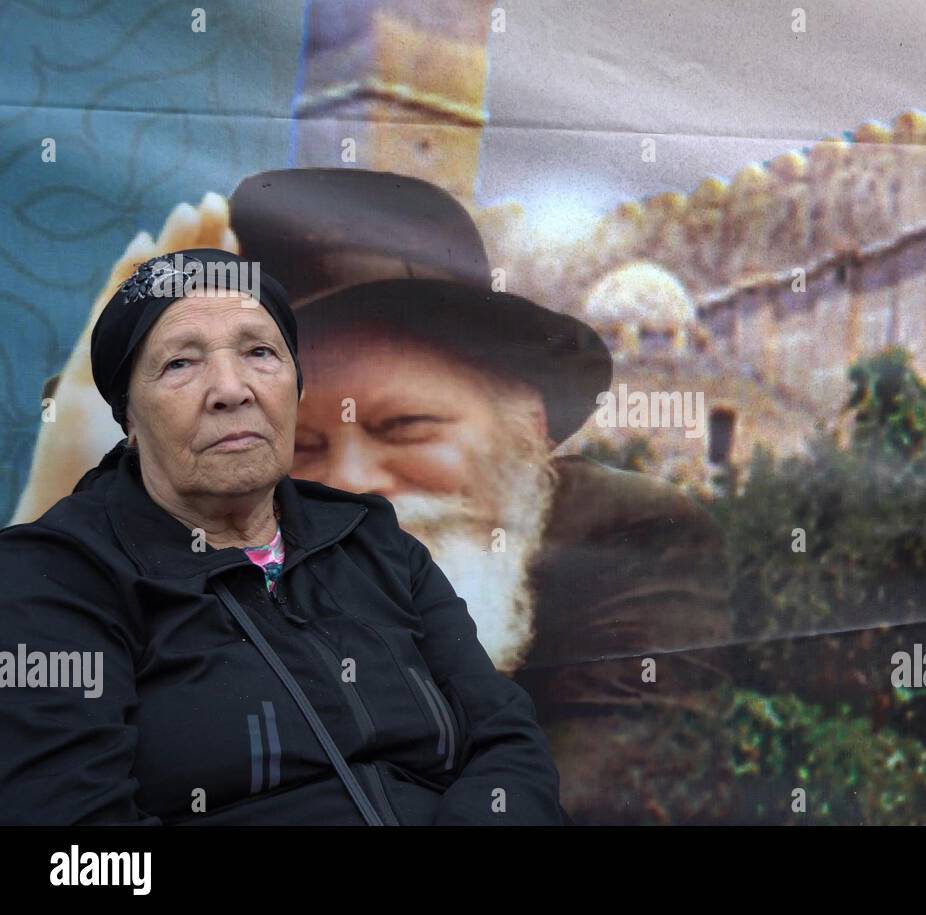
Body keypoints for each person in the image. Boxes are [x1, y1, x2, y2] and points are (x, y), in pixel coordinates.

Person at [11, 169, 736, 824]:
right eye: (308, 445)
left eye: (406, 427)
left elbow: (566, 784)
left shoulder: (627, 539)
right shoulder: (130, 558)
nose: (355, 479)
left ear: (527, 426)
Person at [0, 248, 567, 825]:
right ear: (130, 421)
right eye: (179, 364)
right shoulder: (53, 575)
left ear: (294, 390)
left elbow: (506, 740)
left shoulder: (372, 540)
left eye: (259, 352)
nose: (231, 389)